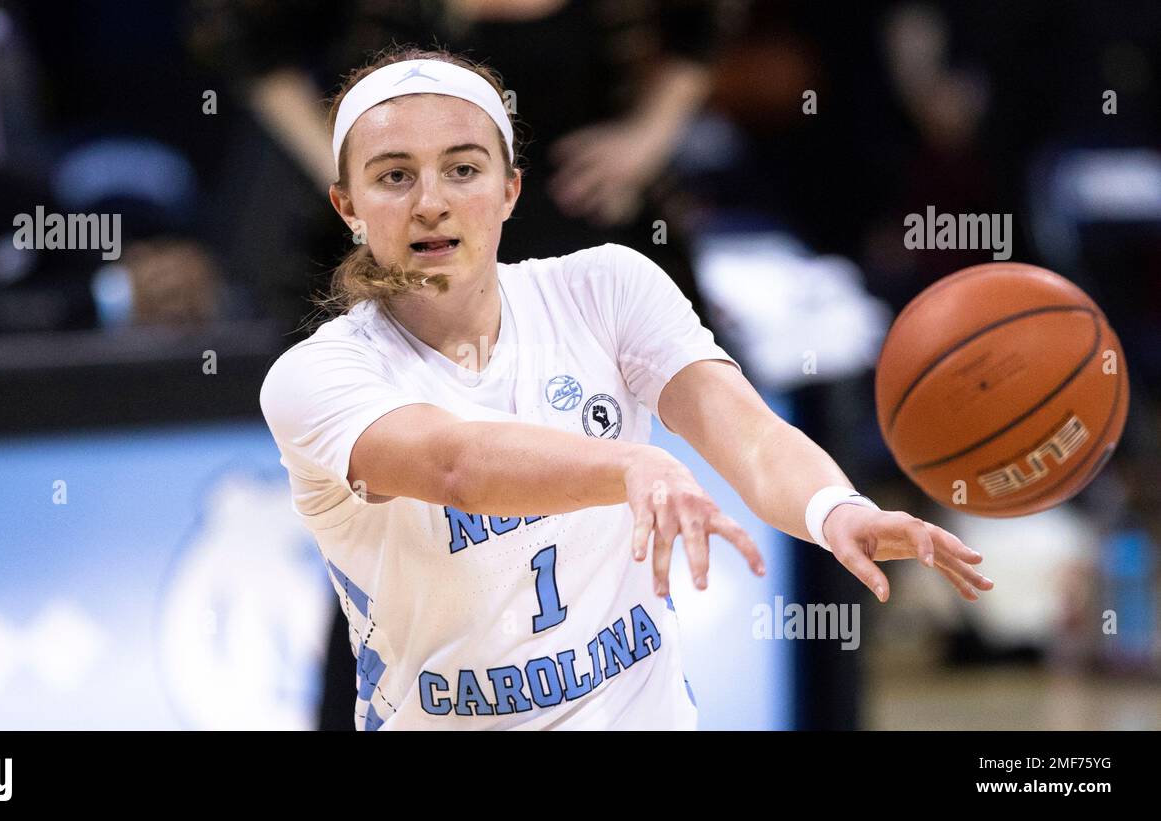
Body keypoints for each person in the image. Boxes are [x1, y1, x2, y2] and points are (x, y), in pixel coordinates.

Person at [258, 47, 994, 730]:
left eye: (463, 169)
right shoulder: (317, 375)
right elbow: (457, 466)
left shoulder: (608, 287)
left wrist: (835, 509)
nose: (430, 202)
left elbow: (748, 432)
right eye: (394, 176)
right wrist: (631, 465)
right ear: (346, 206)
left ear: (511, 189)